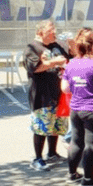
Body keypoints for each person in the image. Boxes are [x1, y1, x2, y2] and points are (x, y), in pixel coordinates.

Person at [61, 28, 93, 186]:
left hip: (76, 108)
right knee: (91, 144)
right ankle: (88, 178)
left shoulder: (70, 64)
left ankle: (72, 174)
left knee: (76, 142)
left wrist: (79, 85)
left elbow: (65, 88)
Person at [24, 20, 72, 171]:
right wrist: (53, 62)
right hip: (42, 95)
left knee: (56, 125)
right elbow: (34, 68)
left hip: (58, 93)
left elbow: (71, 56)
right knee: (41, 127)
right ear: (41, 32)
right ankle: (38, 158)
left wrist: (71, 44)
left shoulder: (56, 45)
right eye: (51, 30)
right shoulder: (32, 48)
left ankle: (52, 153)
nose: (54, 32)